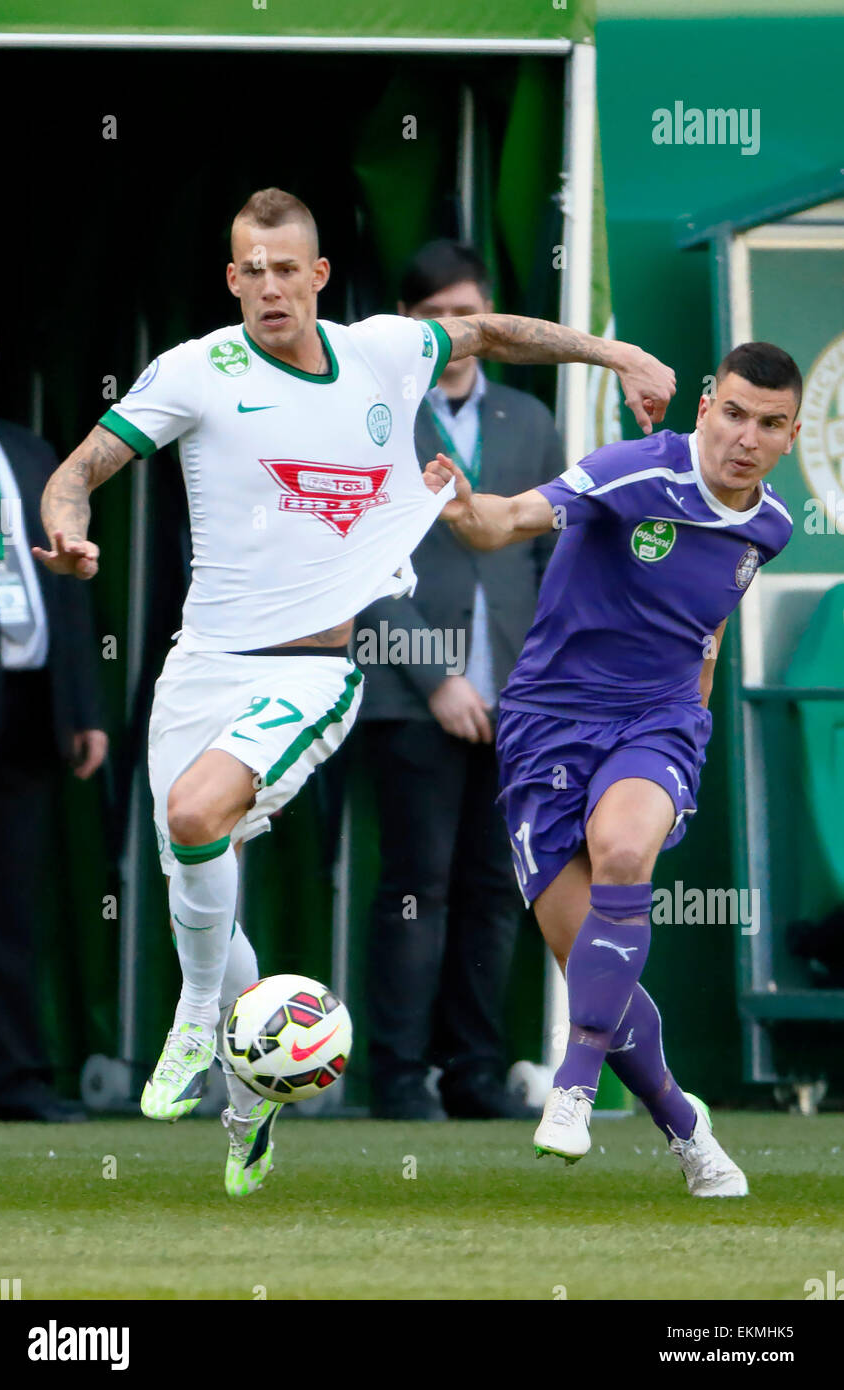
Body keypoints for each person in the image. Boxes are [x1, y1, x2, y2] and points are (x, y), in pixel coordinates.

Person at [33, 187, 675, 1195]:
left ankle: (197, 1019)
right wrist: (69, 528)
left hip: (314, 669)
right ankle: (250, 1107)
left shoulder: (383, 349)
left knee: (197, 810)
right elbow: (80, 468)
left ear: (318, 276)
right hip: (200, 668)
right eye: (251, 269)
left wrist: (619, 354)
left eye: (288, 268)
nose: (269, 286)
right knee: (198, 879)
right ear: (232, 278)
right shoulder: (195, 371)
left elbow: (491, 331)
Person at [423, 341, 800, 1196]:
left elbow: (711, 622)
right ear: (706, 406)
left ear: (791, 435)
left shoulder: (770, 525)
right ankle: (685, 1125)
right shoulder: (632, 474)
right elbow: (509, 520)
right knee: (596, 966)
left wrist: (692, 715)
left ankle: (574, 1080)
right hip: (548, 729)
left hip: (657, 721)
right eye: (734, 413)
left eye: (769, 424)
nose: (746, 436)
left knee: (626, 854)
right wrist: (462, 507)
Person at [357, 241, 562, 1119]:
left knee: (495, 888)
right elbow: (355, 564)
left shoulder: (530, 420)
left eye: (466, 313)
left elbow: (554, 559)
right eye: (434, 313)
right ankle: (399, 1078)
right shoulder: (369, 417)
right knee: (416, 887)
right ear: (406, 323)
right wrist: (437, 677)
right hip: (410, 698)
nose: (452, 329)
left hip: (515, 704)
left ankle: (476, 1074)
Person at [0, 296, 107, 1123]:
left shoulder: (29, 456)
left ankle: (18, 1080)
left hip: (26, 708)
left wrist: (83, 705)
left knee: (10, 907)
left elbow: (66, 592)